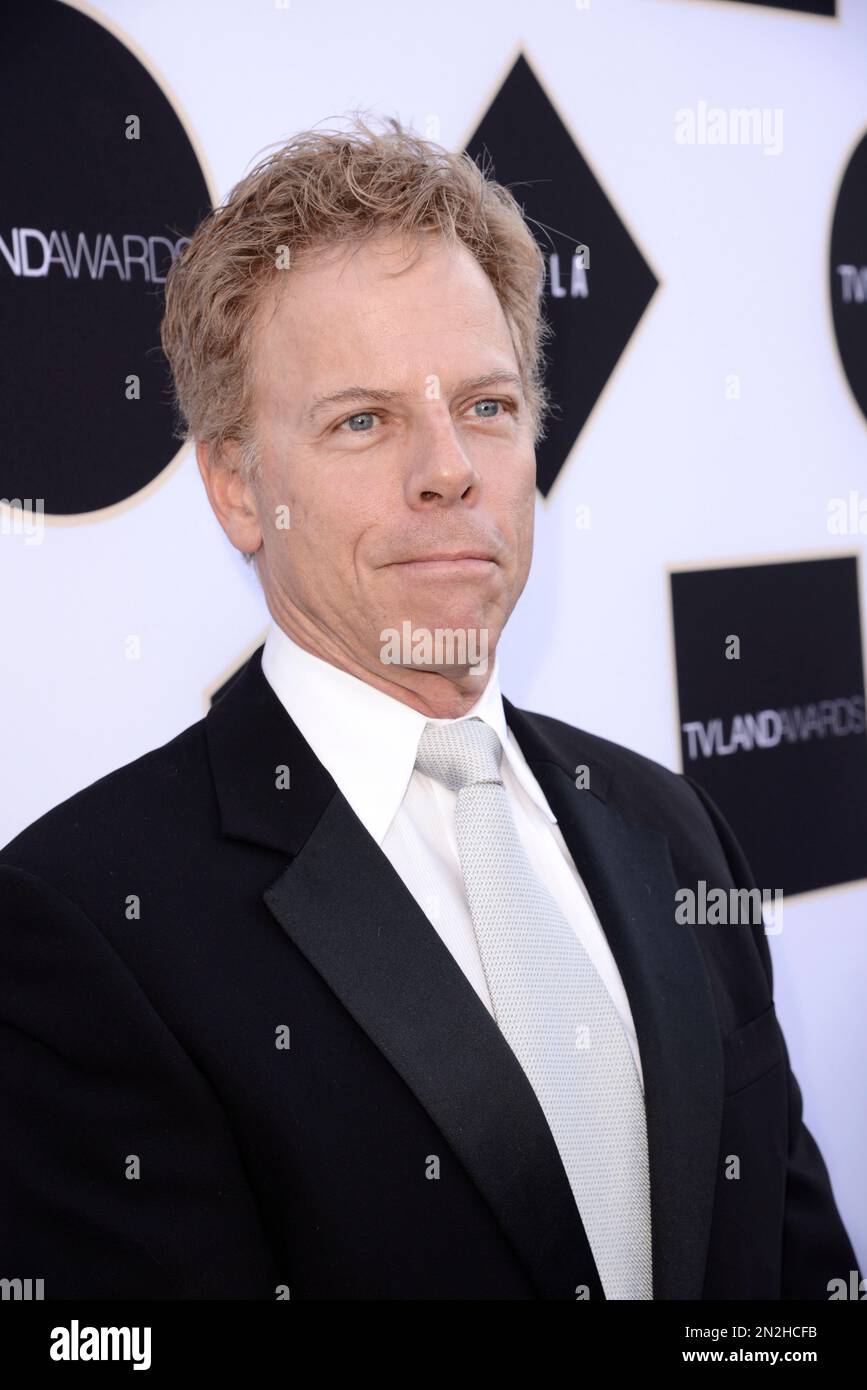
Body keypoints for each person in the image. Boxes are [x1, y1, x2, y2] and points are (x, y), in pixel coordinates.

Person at [0, 116, 857, 1300]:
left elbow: (789, 1274)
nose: (448, 466)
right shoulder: (87, 924)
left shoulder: (674, 828)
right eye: (365, 419)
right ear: (239, 488)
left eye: (488, 407)